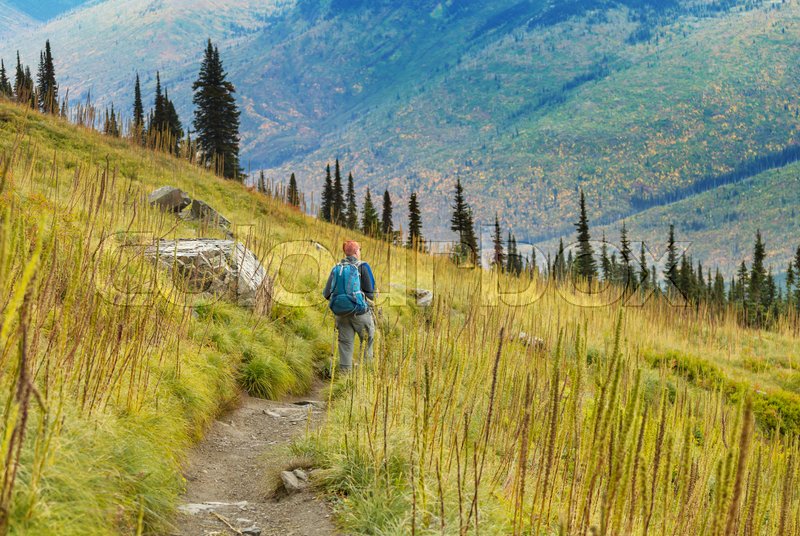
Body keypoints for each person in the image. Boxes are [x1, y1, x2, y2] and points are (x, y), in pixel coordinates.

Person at [322, 240, 376, 372]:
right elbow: (371, 294)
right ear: (357, 252)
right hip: (360, 313)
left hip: (341, 315)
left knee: (345, 345)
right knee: (367, 341)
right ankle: (365, 377)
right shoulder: (363, 266)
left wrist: (343, 301)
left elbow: (326, 294)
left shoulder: (337, 268)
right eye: (360, 250)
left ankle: (344, 380)